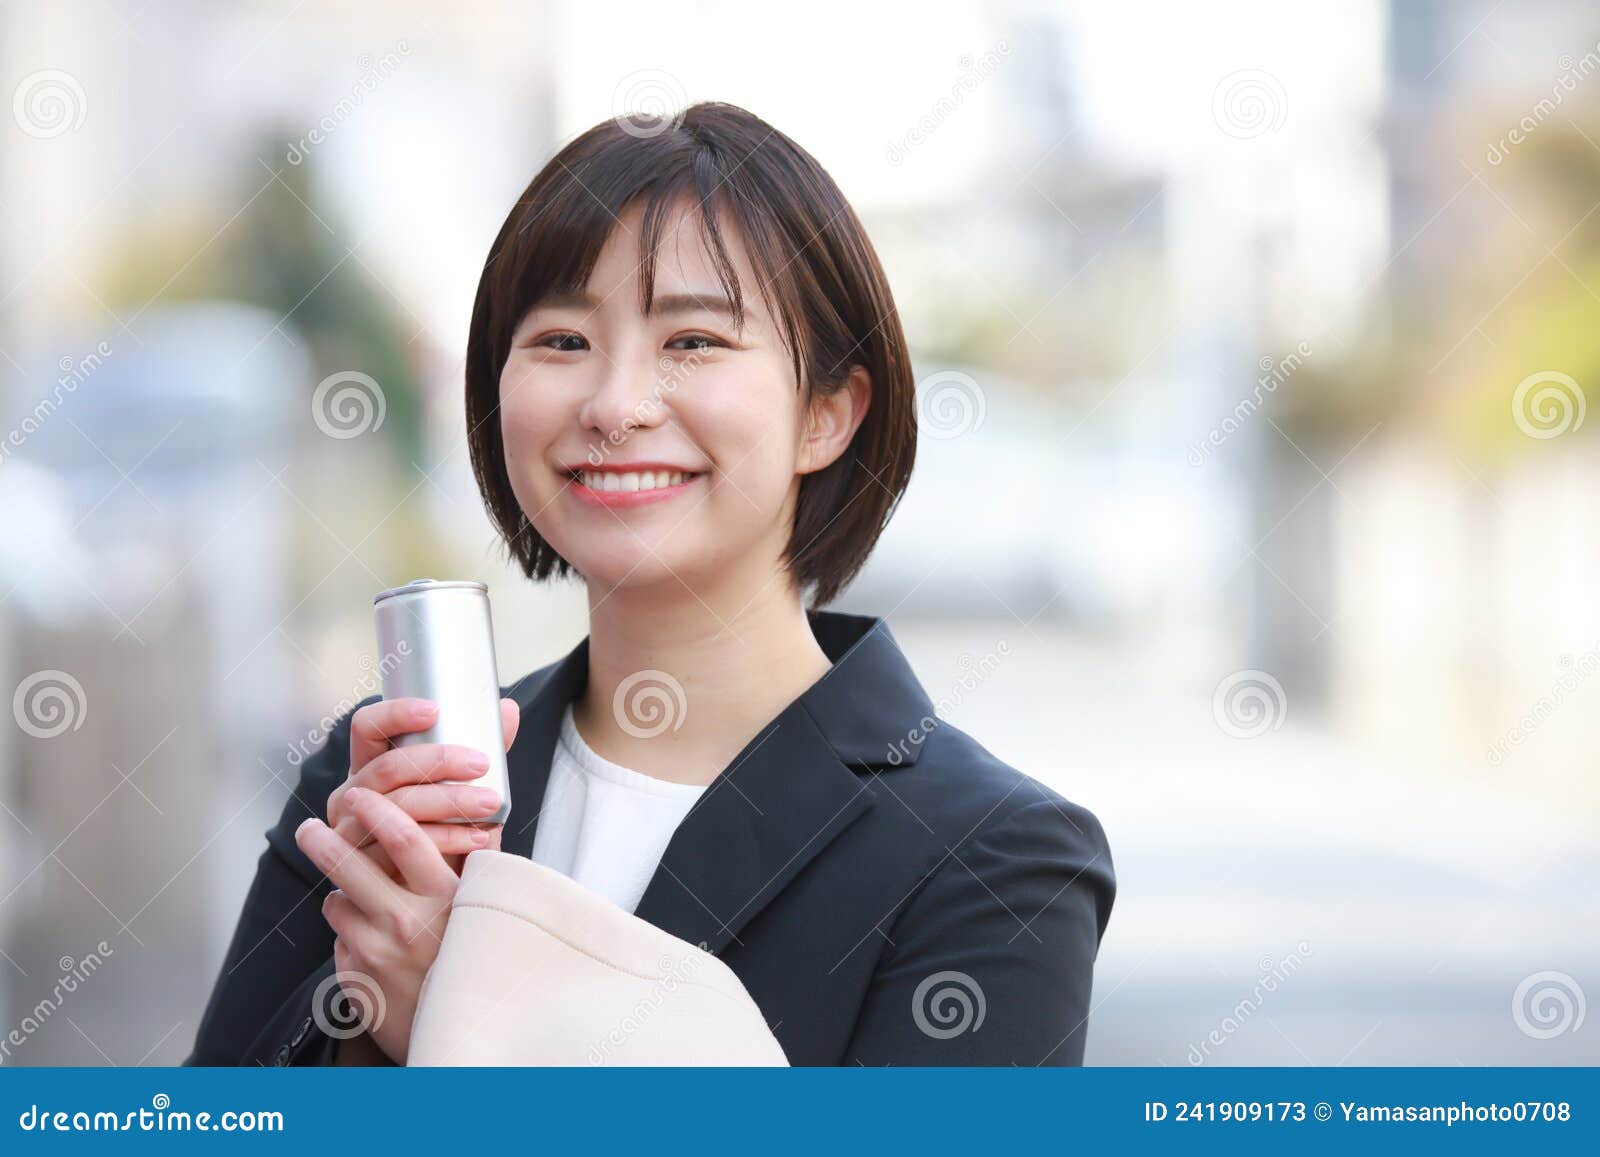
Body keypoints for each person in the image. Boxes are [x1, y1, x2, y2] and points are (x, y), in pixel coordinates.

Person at [186, 101, 1115, 1067]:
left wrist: (468, 1026)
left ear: (829, 414)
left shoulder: (993, 860)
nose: (616, 405)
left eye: (694, 342)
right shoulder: (387, 788)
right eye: (561, 341)